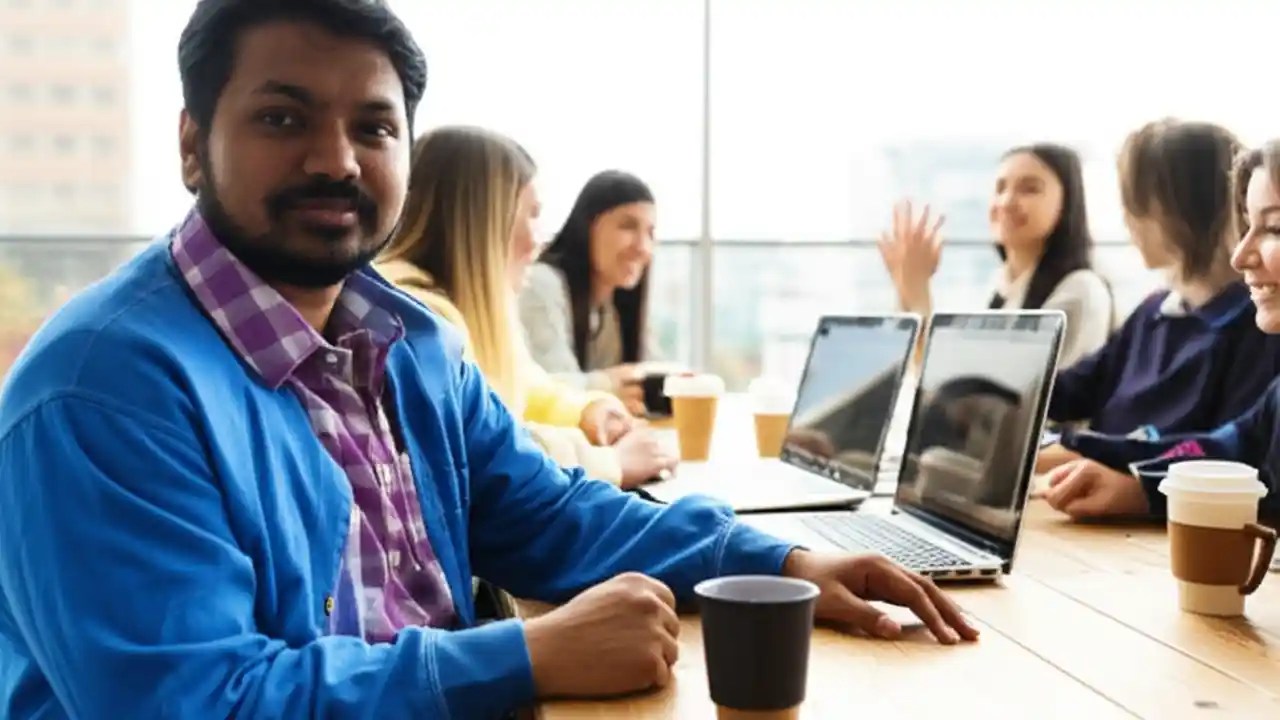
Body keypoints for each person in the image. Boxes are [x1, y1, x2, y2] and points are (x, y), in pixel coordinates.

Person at [0, 2, 976, 718]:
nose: (336, 159)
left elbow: (546, 516)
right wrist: (526, 656)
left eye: (374, 127)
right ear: (191, 145)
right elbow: (190, 703)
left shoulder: (405, 344)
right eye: (283, 118)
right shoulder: (104, 390)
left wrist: (779, 561)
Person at [375, 126, 676, 488]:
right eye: (531, 214)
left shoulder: (471, 310)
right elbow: (487, 455)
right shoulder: (421, 322)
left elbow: (527, 387)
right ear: (485, 220)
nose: (539, 239)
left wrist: (586, 411)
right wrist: (610, 463)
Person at [1042, 141, 1280, 521]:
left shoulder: (1255, 333)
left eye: (1274, 228)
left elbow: (1255, 484)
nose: (1241, 255)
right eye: (1248, 225)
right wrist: (1140, 487)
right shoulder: (1154, 310)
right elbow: (1226, 450)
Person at [878, 144, 1113, 369]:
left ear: (1068, 203)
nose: (1006, 201)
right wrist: (905, 286)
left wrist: (918, 292)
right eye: (1000, 188)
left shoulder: (1081, 290)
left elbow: (981, 399)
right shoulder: (998, 287)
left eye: (1029, 189)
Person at [519, 170, 665, 413]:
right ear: (587, 227)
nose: (643, 247)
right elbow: (550, 388)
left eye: (650, 232)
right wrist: (609, 384)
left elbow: (648, 369)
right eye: (628, 226)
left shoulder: (615, 302)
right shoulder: (541, 283)